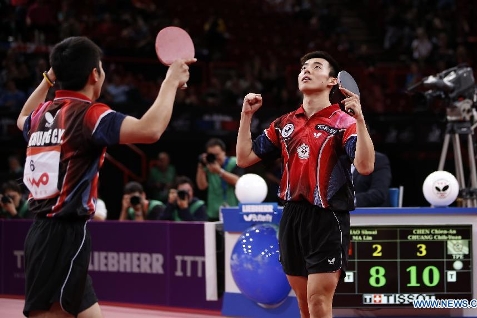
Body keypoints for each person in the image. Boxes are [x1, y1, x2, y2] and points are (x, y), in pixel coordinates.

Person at [16, 36, 195, 317]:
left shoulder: (41, 115)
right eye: (102, 68)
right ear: (94, 74)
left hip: (47, 234)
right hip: (63, 236)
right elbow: (149, 130)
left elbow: (22, 115)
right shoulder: (88, 114)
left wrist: (49, 78)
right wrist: (170, 82)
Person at [235, 51, 375, 318]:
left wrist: (360, 119)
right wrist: (246, 116)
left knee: (318, 300)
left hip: (328, 217)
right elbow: (244, 158)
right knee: (304, 304)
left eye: (316, 66)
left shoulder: (344, 123)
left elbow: (366, 166)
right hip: (293, 217)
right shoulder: (285, 123)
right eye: (303, 67)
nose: (306, 71)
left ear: (332, 81)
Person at [196, 138, 244, 221]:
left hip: (233, 210)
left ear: (224, 152)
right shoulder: (207, 166)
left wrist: (219, 171)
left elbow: (238, 182)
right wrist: (201, 166)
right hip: (214, 212)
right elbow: (202, 186)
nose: (215, 158)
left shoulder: (234, 163)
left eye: (217, 154)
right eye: (212, 155)